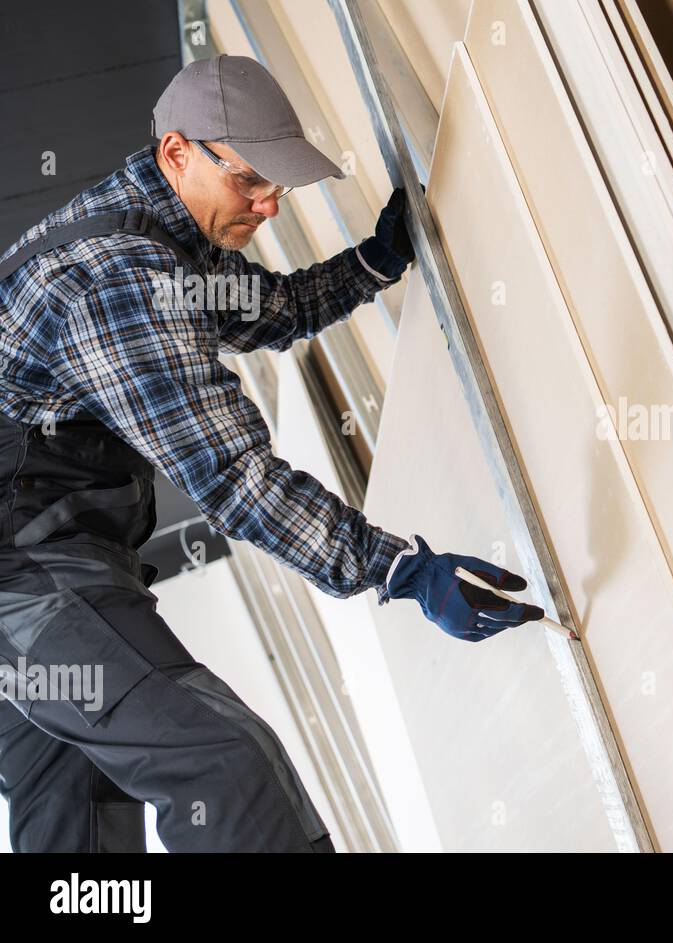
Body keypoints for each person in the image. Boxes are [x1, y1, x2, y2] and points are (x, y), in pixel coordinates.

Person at [0, 54, 543, 853]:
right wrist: (398, 567)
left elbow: (267, 310)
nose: (267, 205)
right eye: (250, 181)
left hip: (43, 566)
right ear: (177, 152)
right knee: (227, 768)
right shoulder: (120, 283)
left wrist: (372, 262)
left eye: (278, 184)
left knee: (77, 825)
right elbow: (233, 477)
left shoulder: (161, 226)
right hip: (27, 575)